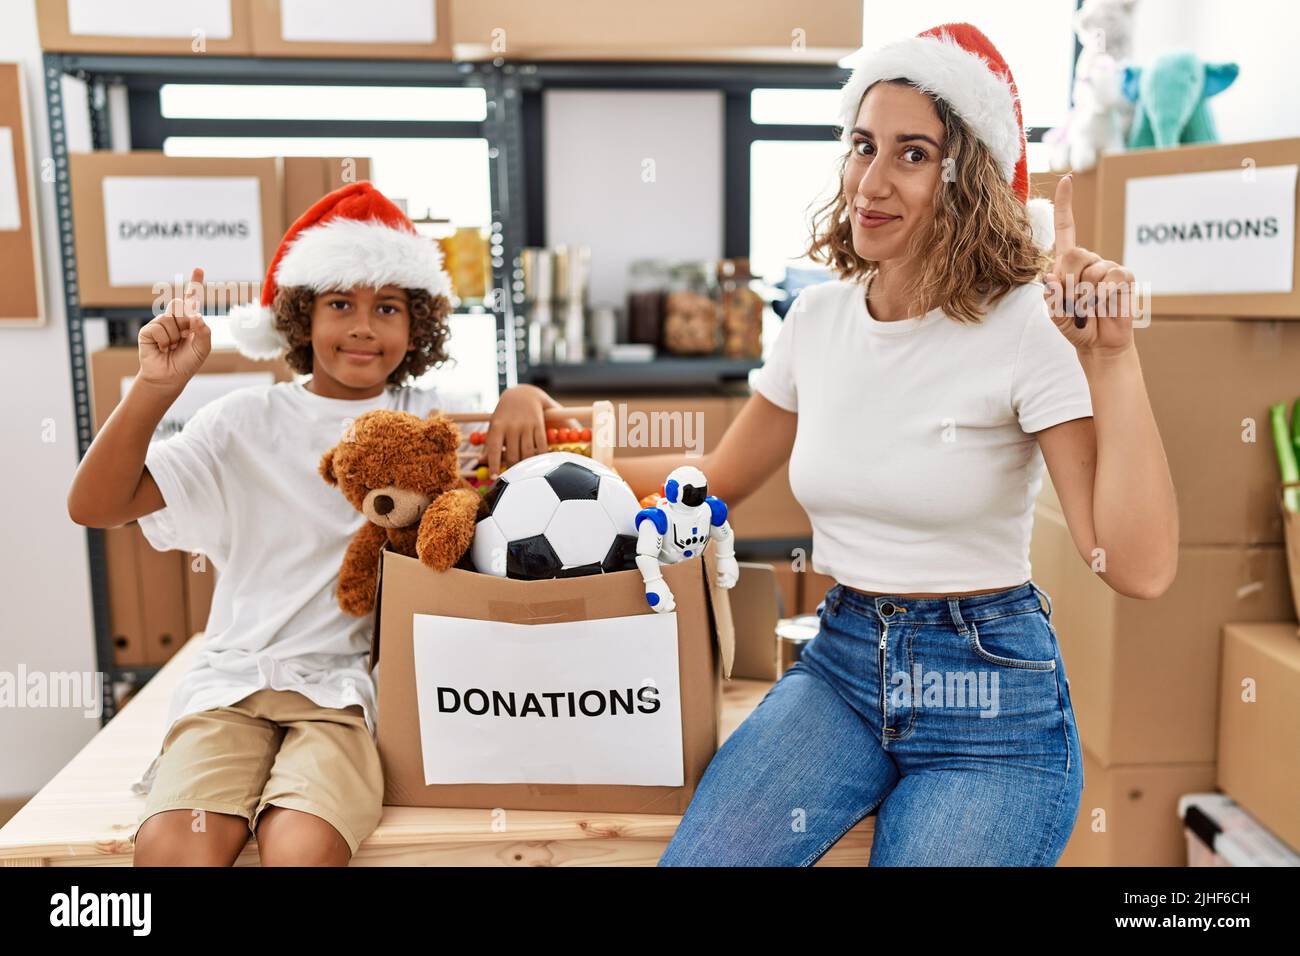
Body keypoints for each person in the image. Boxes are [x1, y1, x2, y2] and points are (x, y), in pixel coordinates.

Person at [618, 23, 1178, 866]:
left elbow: (1136, 566)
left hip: (988, 693)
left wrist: (1113, 359)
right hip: (842, 667)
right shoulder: (819, 319)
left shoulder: (1028, 324)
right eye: (861, 145)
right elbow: (713, 478)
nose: (871, 182)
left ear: (968, 181)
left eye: (912, 154)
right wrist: (537, 460)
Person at [66, 182, 562, 865]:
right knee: (175, 847)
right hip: (231, 687)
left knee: (303, 846)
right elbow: (95, 504)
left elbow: (559, 463)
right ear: (300, 318)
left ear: (416, 325)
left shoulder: (437, 420)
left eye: (387, 306)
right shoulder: (244, 422)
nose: (363, 326)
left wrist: (523, 393)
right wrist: (157, 387)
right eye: (339, 303)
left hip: (350, 699)